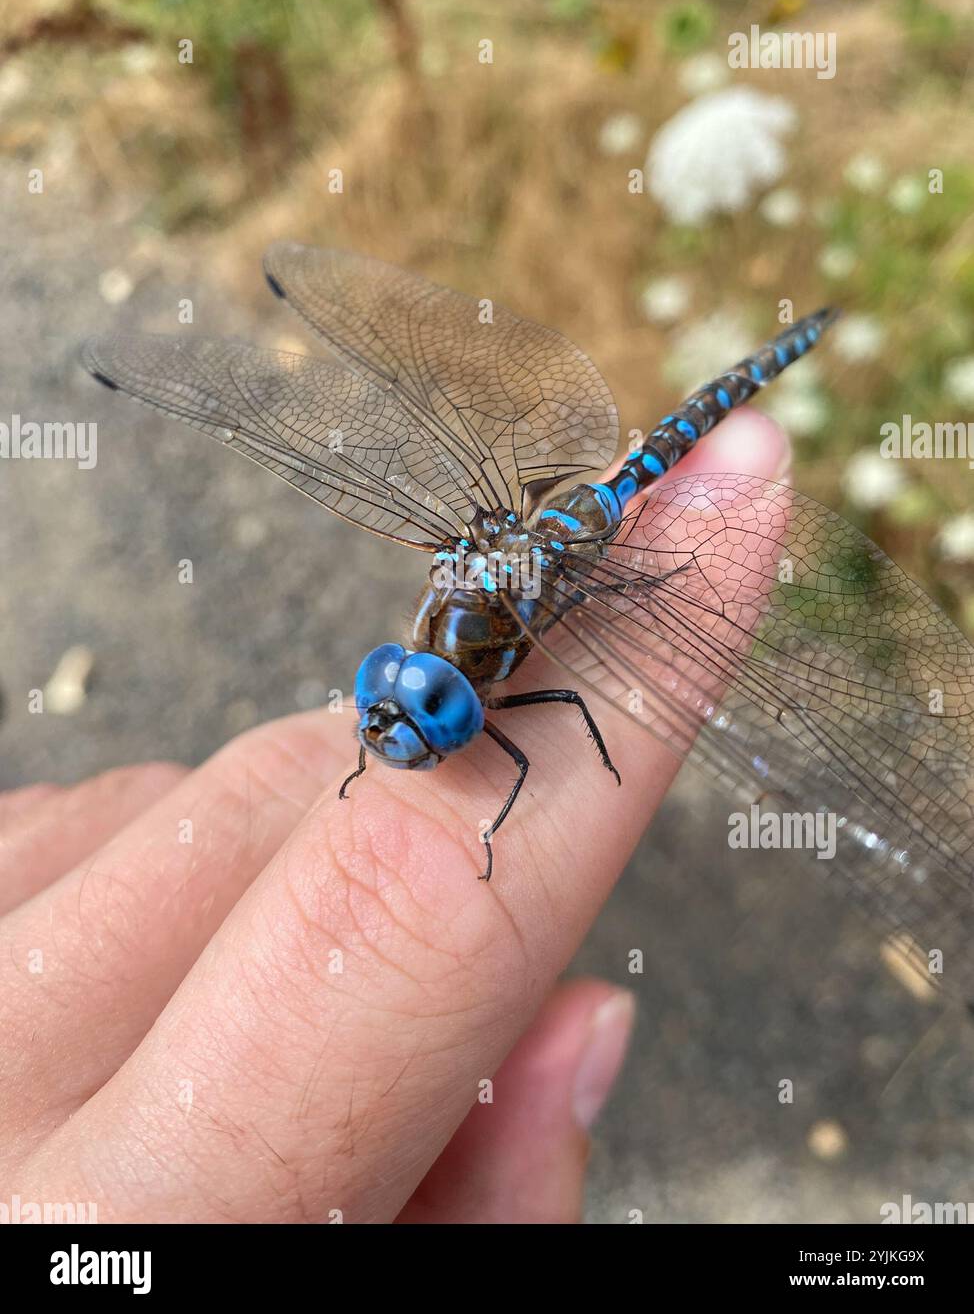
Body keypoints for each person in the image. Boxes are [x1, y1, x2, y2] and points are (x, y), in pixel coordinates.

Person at [0, 410, 789, 1223]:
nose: (385, 727)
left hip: (576, 536)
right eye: (388, 700)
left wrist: (493, 832)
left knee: (578, 712)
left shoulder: (527, 637)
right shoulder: (433, 649)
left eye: (425, 711)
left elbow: (571, 723)